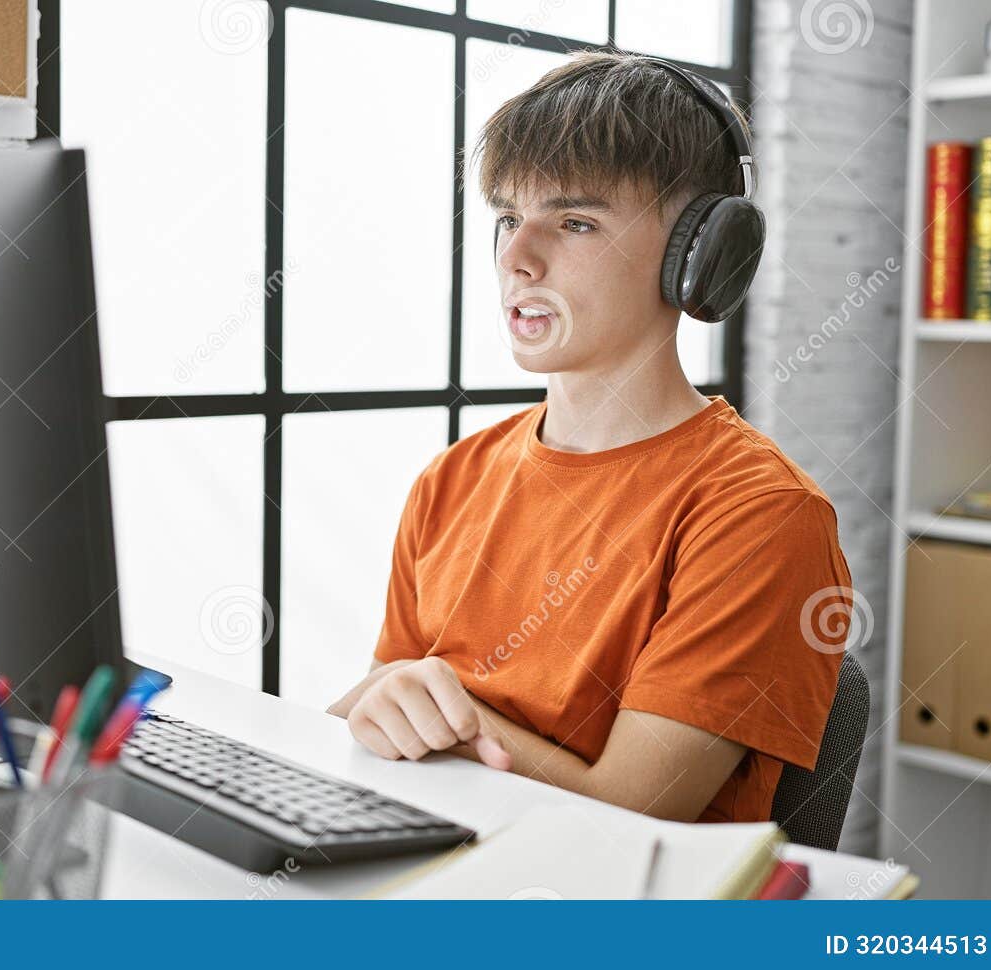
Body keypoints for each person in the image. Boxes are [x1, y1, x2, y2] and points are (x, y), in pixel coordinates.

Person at [325, 51, 855, 824]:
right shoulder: (452, 480)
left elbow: (633, 817)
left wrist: (457, 720)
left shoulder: (762, 517)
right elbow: (378, 708)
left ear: (700, 256)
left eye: (574, 222)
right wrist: (375, 707)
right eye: (508, 217)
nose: (516, 256)